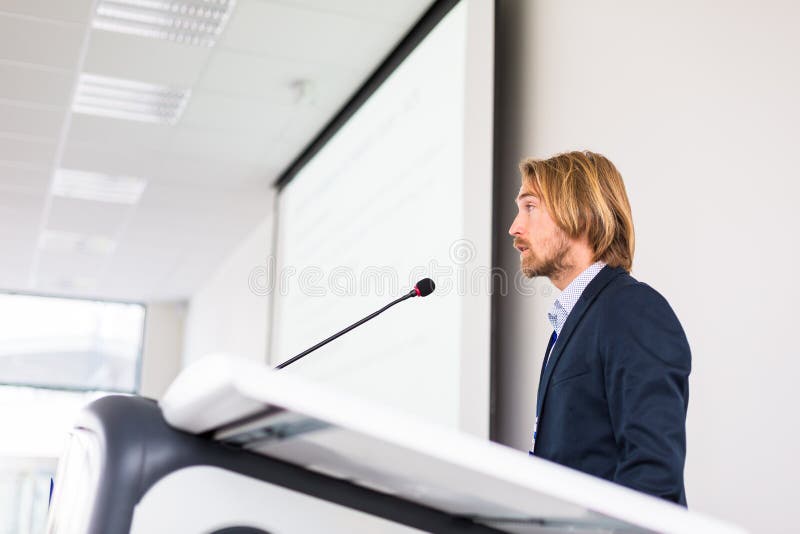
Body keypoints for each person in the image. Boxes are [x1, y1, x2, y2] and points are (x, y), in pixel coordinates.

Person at [508, 150, 690, 506]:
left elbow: (653, 477)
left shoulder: (632, 310)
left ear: (582, 214)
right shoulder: (572, 321)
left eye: (530, 207)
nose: (514, 227)